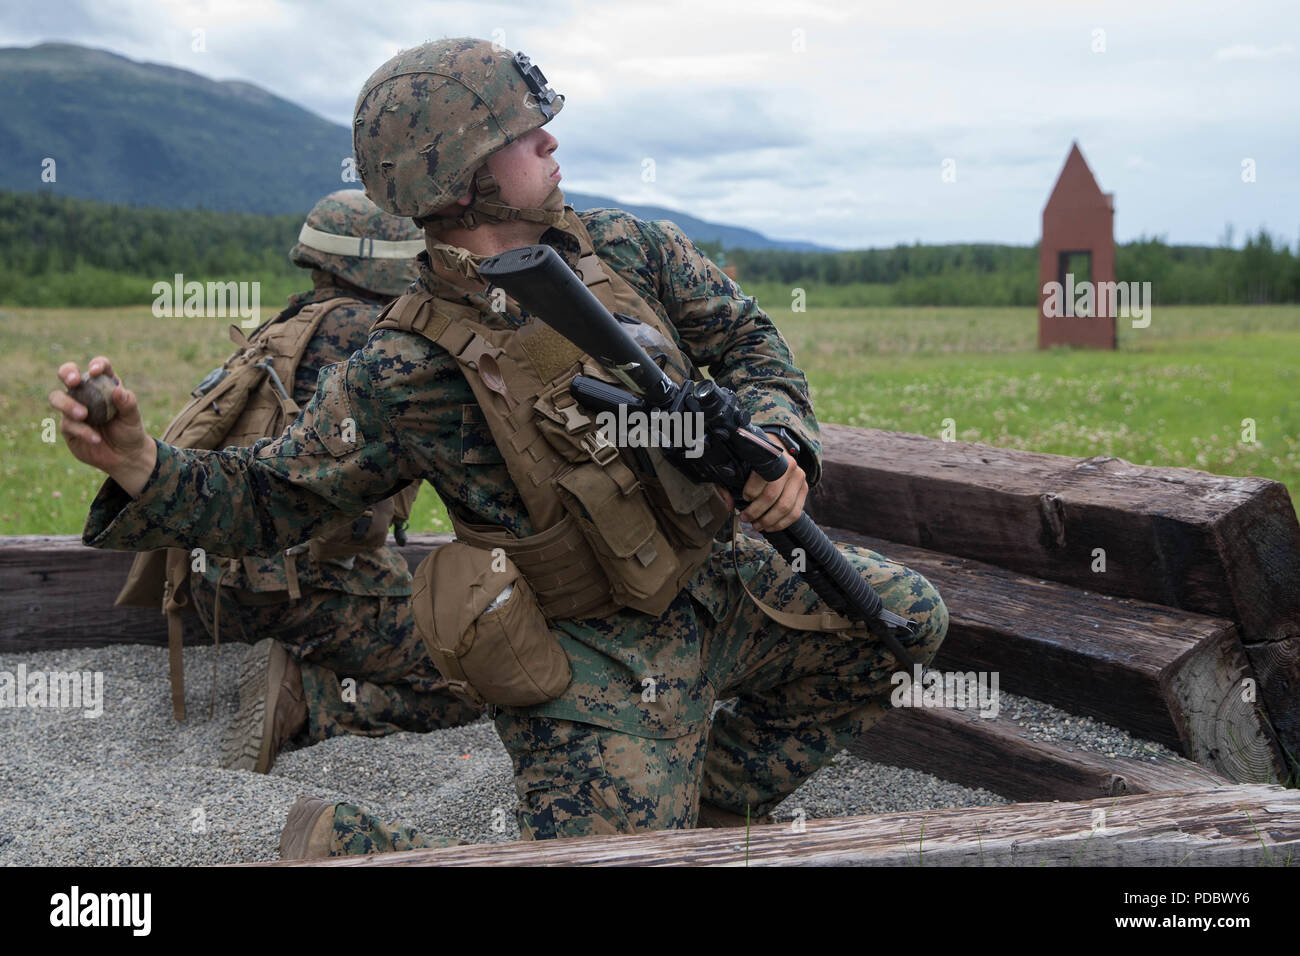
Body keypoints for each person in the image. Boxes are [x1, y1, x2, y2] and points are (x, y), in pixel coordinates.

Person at [51, 38, 948, 855]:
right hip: (594, 657)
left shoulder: (629, 248)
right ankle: (364, 848)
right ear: (458, 178)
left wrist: (778, 444)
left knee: (901, 623)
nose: (552, 142)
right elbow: (266, 497)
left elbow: (752, 343)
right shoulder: (405, 368)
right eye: (525, 135)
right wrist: (137, 462)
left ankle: (705, 809)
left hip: (725, 580)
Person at [117, 189, 482, 773]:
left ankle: (298, 662)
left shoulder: (285, 326)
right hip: (310, 588)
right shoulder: (378, 339)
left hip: (218, 588)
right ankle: (308, 704)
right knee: (474, 677)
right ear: (389, 261)